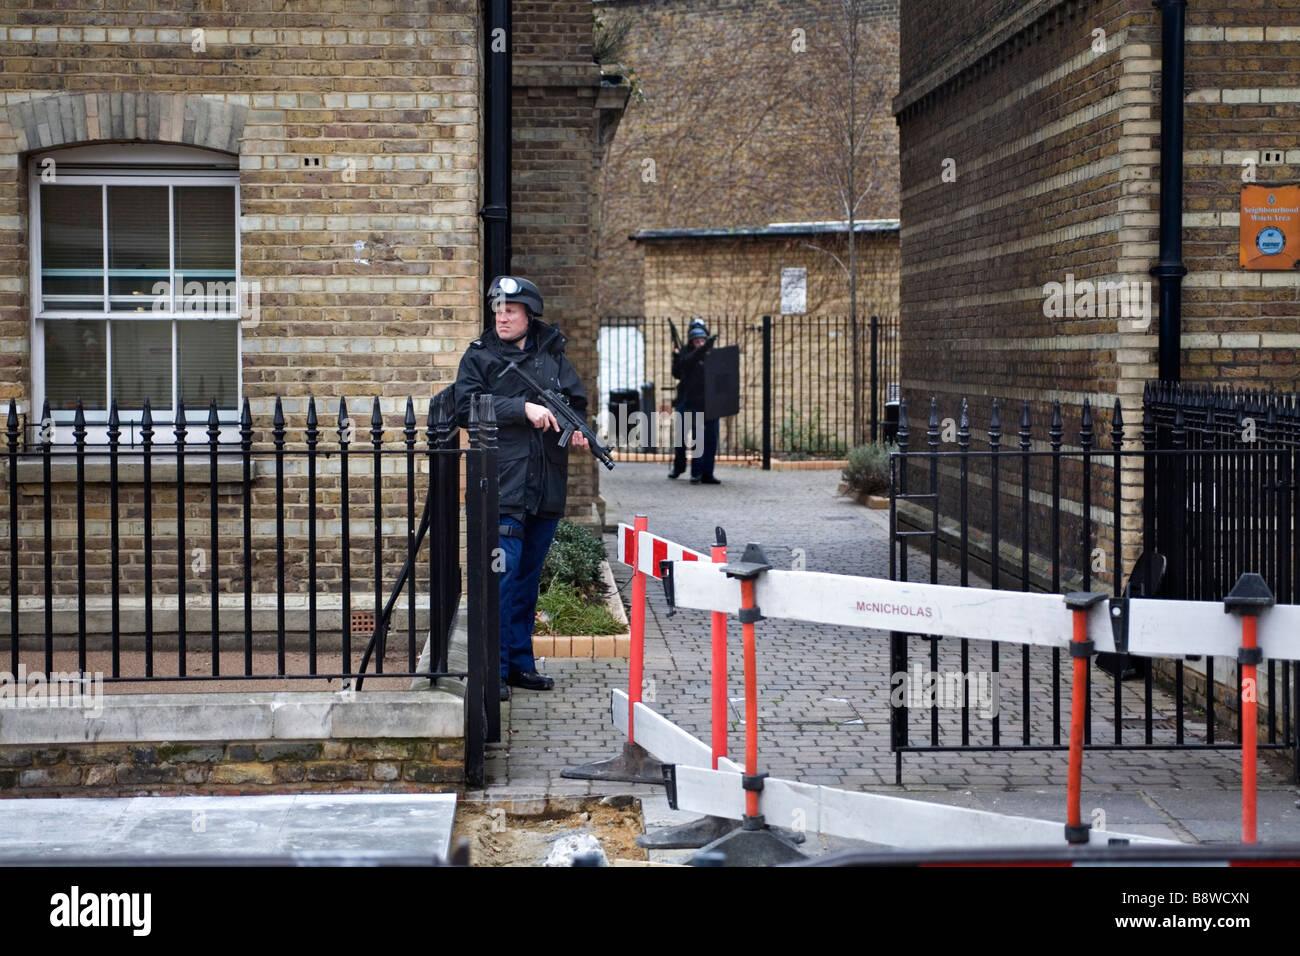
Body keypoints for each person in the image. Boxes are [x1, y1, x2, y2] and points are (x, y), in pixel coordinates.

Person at [454, 275, 590, 702]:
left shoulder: (552, 353)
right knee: (500, 580)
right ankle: (490, 672)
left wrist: (576, 427)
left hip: (545, 488)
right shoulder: (479, 357)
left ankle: (519, 665)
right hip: (501, 489)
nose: (502, 316)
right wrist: (521, 408)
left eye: (510, 309)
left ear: (530, 314)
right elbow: (464, 407)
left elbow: (576, 400)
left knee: (527, 583)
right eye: (498, 309)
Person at [668, 318, 720, 484]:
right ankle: (680, 467)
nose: (700, 343)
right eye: (696, 340)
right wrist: (676, 358)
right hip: (688, 399)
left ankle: (705, 472)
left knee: (708, 438)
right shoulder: (685, 354)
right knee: (682, 436)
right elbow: (678, 371)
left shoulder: (711, 354)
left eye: (702, 339)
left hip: (708, 401)